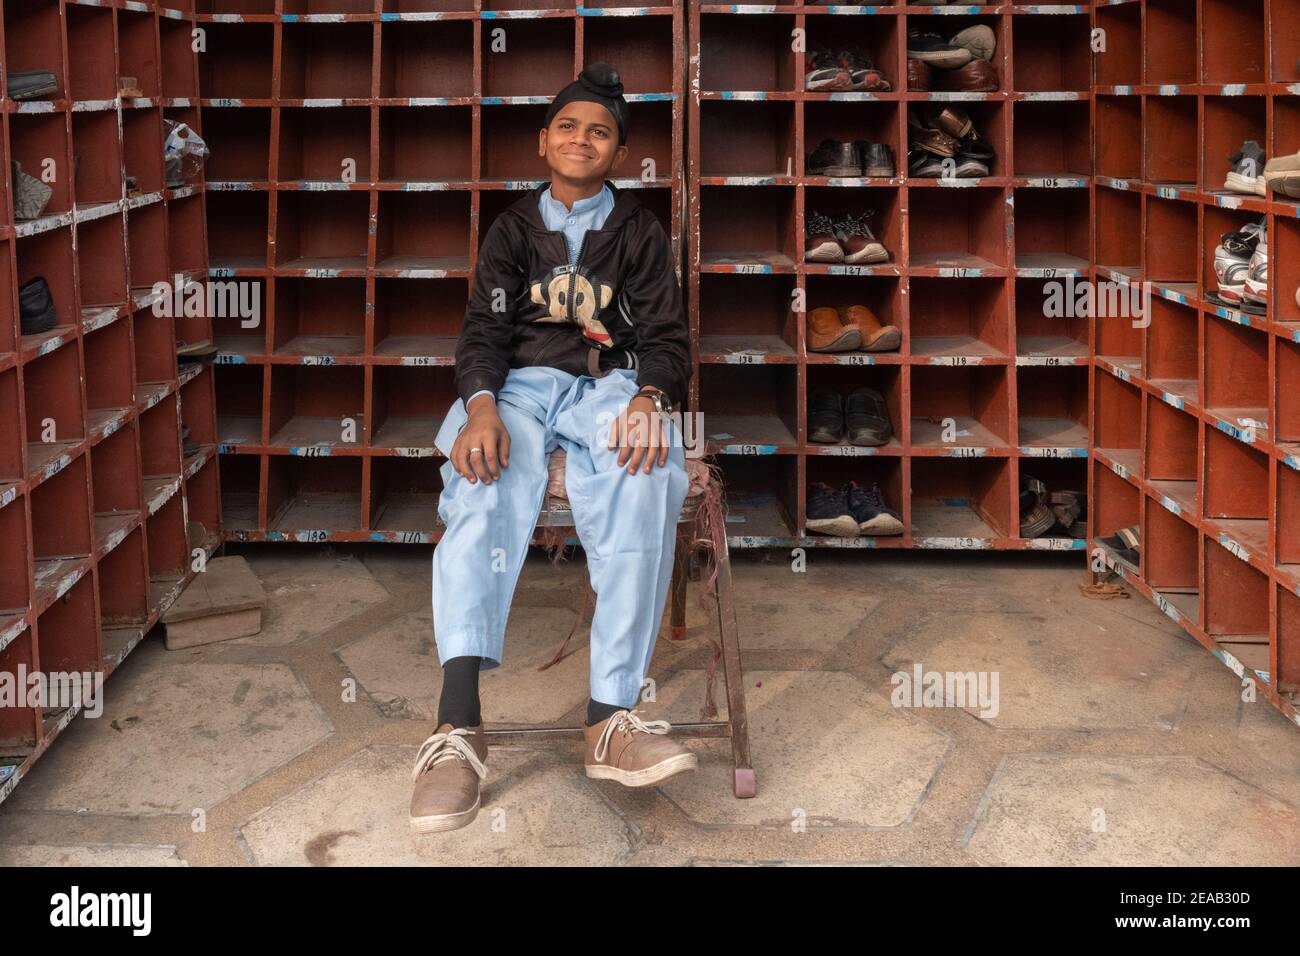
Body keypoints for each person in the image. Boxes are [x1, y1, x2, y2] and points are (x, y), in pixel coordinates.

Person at [410, 62, 696, 833]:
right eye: (567, 126)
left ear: (619, 151)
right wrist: (479, 409)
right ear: (543, 142)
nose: (581, 138)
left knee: (646, 473)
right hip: (523, 386)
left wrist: (649, 399)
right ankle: (456, 730)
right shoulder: (512, 228)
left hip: (611, 385)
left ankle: (610, 715)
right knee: (482, 480)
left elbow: (668, 337)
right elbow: (483, 333)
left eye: (599, 130)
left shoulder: (638, 229)